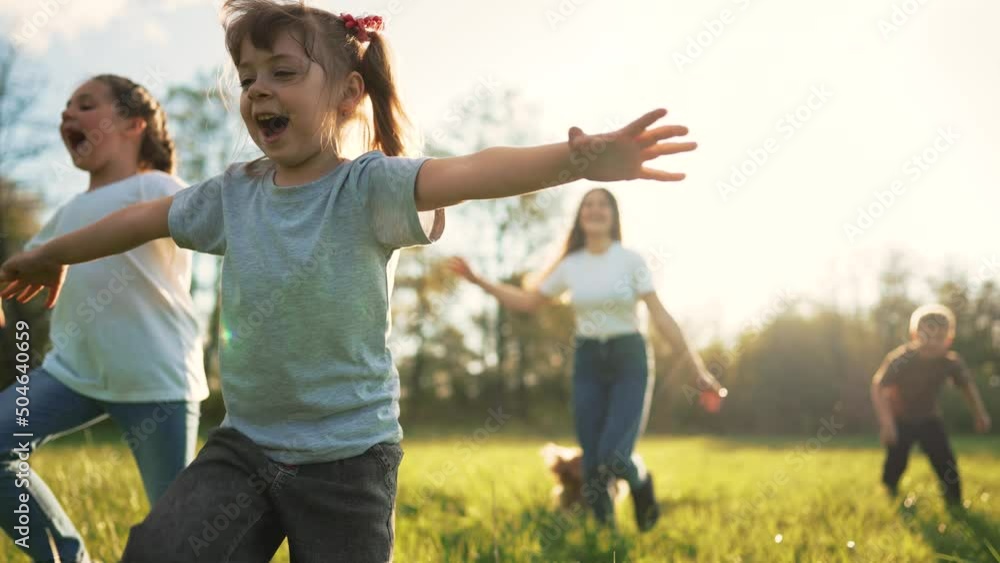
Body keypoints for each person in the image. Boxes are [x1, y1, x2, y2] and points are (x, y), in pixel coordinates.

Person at [0, 1, 697, 560]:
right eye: (248, 79)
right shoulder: (231, 195)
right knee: (162, 549)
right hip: (245, 445)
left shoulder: (371, 187)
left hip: (349, 460)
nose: (259, 90)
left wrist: (578, 159)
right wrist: (54, 253)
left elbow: (475, 170)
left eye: (282, 72)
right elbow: (142, 219)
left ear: (347, 91)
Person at [0, 74, 207, 562]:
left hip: (157, 380)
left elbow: (204, 222)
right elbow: (22, 267)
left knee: (177, 529)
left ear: (135, 124)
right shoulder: (69, 210)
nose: (67, 115)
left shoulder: (156, 186)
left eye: (86, 105)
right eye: (66, 107)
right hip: (71, 372)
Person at [448, 187, 724, 530]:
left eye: (603, 204)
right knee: (593, 463)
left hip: (629, 359)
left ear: (614, 215)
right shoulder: (572, 265)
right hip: (589, 362)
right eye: (588, 205)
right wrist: (479, 280)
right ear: (580, 217)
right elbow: (527, 302)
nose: (595, 210)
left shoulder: (631, 260)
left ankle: (641, 483)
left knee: (615, 456)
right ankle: (605, 539)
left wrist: (698, 371)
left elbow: (662, 317)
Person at [871, 304, 992, 506]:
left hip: (929, 418)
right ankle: (889, 489)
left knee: (945, 461)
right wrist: (887, 424)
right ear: (914, 334)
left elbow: (967, 387)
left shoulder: (950, 362)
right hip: (900, 418)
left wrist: (980, 414)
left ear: (949, 338)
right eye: (927, 336)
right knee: (897, 461)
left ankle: (955, 501)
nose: (932, 343)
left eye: (939, 338)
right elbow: (878, 386)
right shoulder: (901, 358)